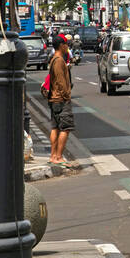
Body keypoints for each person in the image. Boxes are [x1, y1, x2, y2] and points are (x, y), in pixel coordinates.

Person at [46, 34, 78, 168]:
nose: (67, 47)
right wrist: (66, 95)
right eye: (66, 44)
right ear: (61, 46)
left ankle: (53, 156)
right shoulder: (59, 60)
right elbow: (61, 81)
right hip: (60, 99)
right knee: (65, 128)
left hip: (55, 99)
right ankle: (58, 156)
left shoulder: (54, 59)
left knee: (55, 127)